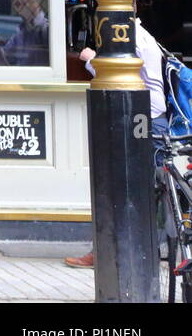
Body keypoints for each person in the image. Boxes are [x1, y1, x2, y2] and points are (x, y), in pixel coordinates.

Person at [64, 14, 168, 270]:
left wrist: (90, 59)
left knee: (126, 186)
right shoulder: (144, 36)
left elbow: (120, 74)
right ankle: (146, 250)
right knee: (145, 189)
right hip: (151, 119)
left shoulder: (130, 38)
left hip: (144, 119)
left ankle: (111, 252)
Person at [0, 0, 49, 66]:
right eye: (20, 4)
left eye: (29, 2)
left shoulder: (46, 29)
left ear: (36, 5)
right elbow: (6, 54)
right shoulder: (21, 31)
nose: (22, 8)